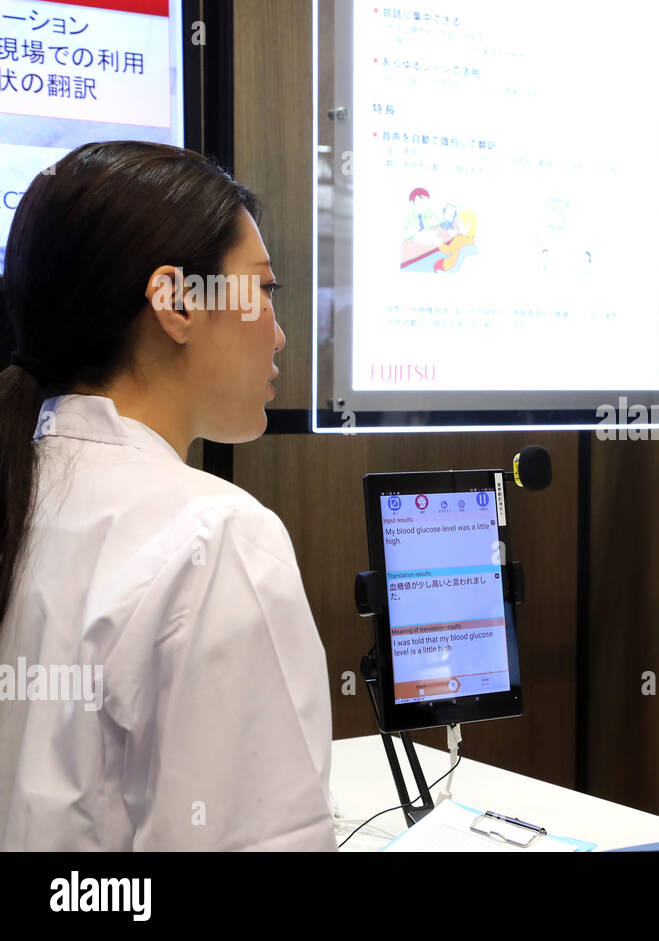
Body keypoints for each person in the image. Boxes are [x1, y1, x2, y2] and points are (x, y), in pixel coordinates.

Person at [0, 141, 336, 850]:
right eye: (264, 291)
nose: (277, 335)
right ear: (177, 302)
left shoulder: (25, 491)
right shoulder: (215, 537)